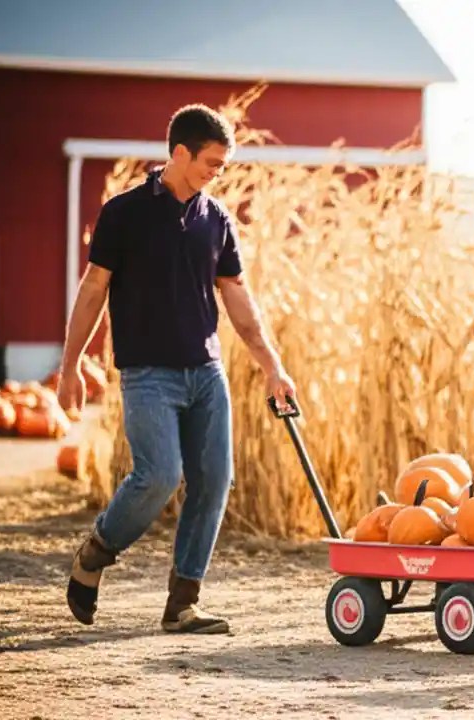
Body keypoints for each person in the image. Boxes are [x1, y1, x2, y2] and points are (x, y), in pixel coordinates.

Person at [57, 104, 296, 634]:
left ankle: (183, 602)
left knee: (214, 480)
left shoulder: (216, 220)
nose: (219, 172)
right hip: (147, 373)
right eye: (212, 162)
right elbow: (93, 288)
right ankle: (96, 552)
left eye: (224, 165)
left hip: (205, 373)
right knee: (159, 476)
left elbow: (237, 297)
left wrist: (272, 367)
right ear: (179, 152)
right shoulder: (125, 213)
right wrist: (69, 365)